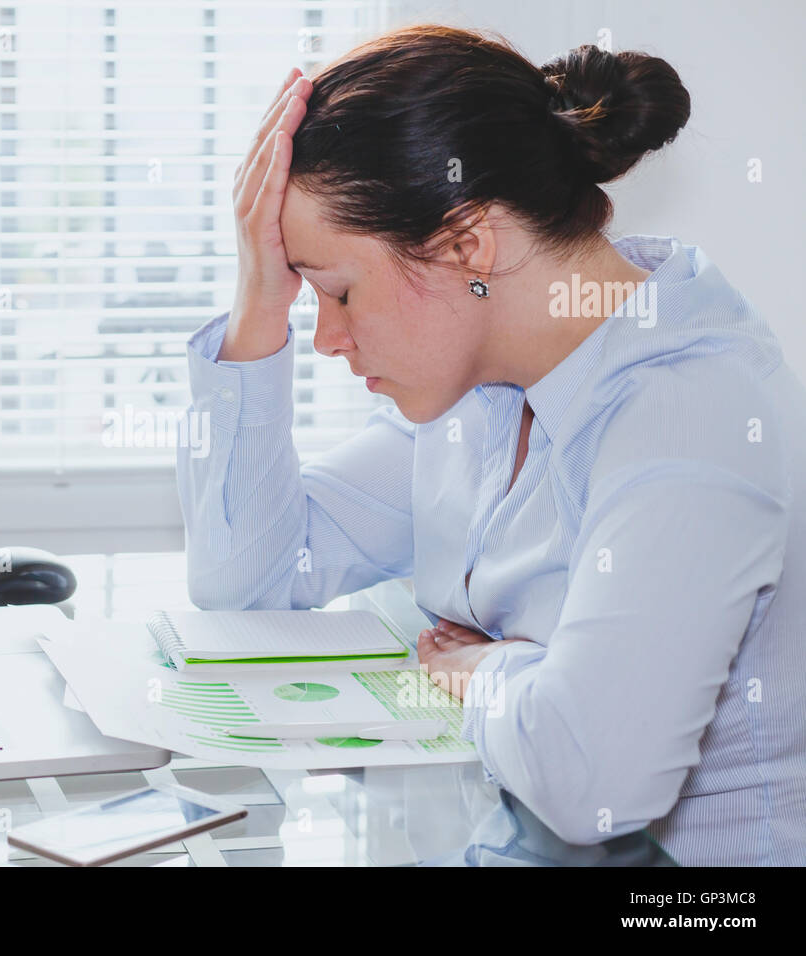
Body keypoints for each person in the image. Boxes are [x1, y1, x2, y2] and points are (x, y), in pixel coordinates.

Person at [175, 24, 806, 866]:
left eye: (338, 292)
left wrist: (482, 675)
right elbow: (248, 584)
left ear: (468, 244)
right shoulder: (489, 383)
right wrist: (257, 303)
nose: (324, 337)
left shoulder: (689, 419)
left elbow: (593, 782)